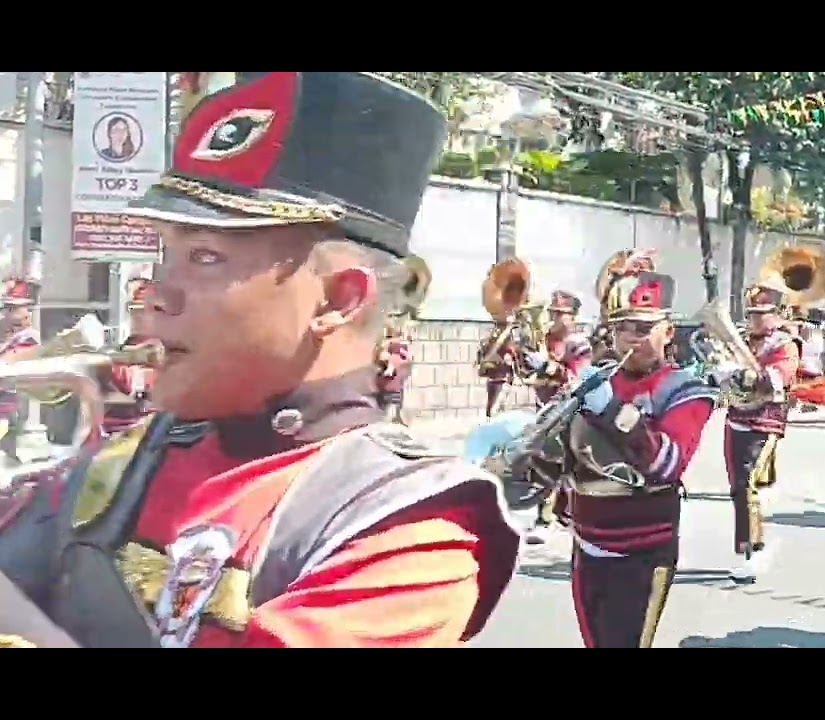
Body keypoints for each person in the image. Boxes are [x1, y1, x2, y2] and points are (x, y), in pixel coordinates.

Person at [0, 72, 521, 648]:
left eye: (204, 257)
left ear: (339, 300)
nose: (155, 293)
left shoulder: (411, 526)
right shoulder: (126, 459)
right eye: (163, 254)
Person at [559, 263, 717, 647]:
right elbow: (569, 456)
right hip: (587, 539)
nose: (631, 339)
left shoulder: (684, 389)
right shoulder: (600, 378)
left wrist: (608, 409)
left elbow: (667, 463)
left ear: (668, 332)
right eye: (623, 328)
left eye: (644, 329)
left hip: (642, 546)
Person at [711, 279, 800, 583]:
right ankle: (748, 544)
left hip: (765, 419)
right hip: (737, 416)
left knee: (746, 483)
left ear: (776, 315)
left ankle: (755, 550)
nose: (753, 319)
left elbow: (777, 379)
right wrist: (720, 372)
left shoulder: (785, 344)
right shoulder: (747, 342)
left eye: (761, 313)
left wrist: (742, 373)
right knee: (738, 486)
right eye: (751, 313)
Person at [522, 289, 593, 543]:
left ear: (573, 316)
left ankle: (551, 518)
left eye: (560, 313)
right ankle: (550, 516)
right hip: (544, 403)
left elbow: (577, 378)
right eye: (552, 312)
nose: (553, 317)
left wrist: (546, 366)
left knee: (562, 463)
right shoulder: (546, 338)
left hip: (569, 409)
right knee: (543, 461)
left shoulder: (580, 343)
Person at [101, 278, 158, 435]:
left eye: (142, 310)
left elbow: (131, 382)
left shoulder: (161, 351)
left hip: (143, 434)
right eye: (132, 309)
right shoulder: (125, 346)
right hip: (108, 433)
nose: (136, 316)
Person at [0, 278, 39, 462]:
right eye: (8, 308)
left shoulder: (28, 339)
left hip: (11, 405)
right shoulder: (7, 336)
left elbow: (9, 365)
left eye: (14, 308)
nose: (8, 314)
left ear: (27, 312)